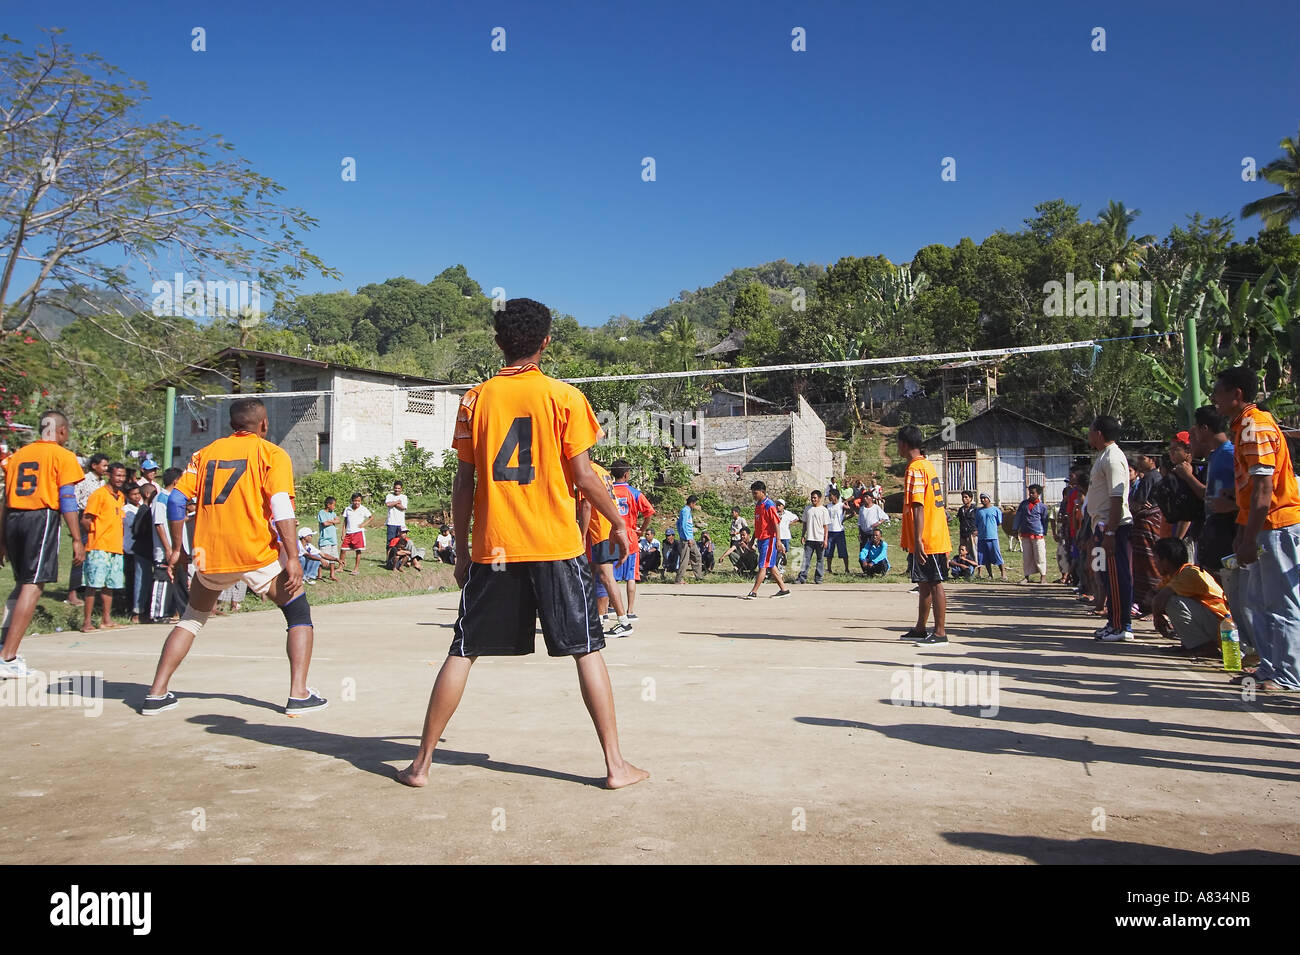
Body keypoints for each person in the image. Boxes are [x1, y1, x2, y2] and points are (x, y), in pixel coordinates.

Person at [397, 297, 647, 790]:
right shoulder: (565, 397)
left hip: (496, 548)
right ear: (546, 342)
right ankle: (616, 767)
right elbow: (583, 476)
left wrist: (465, 549)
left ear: (499, 341)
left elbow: (463, 482)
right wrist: (616, 520)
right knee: (587, 649)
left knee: (463, 648)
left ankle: (421, 765)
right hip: (555, 545)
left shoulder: (475, 399)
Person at [141, 397, 328, 716]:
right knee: (298, 613)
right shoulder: (271, 453)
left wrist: (178, 549)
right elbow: (282, 506)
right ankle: (298, 693)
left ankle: (156, 694)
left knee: (191, 619)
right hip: (256, 552)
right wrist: (294, 557)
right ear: (264, 424)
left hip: (210, 552)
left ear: (231, 425)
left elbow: (174, 502)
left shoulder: (204, 454)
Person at [1211, 366, 1300, 691]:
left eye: (1218, 391)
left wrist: (1250, 537)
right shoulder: (1245, 427)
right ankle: (1269, 668)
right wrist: (1242, 529)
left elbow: (1264, 490)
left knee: (1282, 603)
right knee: (1259, 602)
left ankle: (1288, 675)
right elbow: (1251, 492)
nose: (1214, 399)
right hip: (1261, 527)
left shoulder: (1255, 427)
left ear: (1236, 394)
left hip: (1276, 526)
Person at [0, 411, 86, 678]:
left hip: (14, 516)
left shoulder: (17, 456)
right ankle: (7, 657)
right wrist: (77, 538)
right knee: (33, 585)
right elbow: (68, 499)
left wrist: (1, 538)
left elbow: (4, 498)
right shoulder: (63, 456)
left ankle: (5, 647)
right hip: (41, 515)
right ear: (60, 431)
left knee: (22, 582)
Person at [897, 425, 950, 645]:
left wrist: (918, 540)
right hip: (930, 534)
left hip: (929, 537)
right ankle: (921, 628)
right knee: (924, 583)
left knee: (935, 582)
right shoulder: (926, 465)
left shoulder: (915, 469)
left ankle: (940, 632)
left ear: (904, 444)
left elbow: (918, 506)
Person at [1088, 415, 1135, 642]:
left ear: (1099, 433)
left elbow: (1116, 498)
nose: (1088, 435)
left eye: (1090, 430)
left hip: (1113, 528)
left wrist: (1110, 532)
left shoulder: (1114, 458)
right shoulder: (1103, 456)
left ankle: (1122, 626)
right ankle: (1113, 621)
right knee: (1106, 577)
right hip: (1101, 526)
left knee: (1117, 578)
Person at [577, 460, 632, 635]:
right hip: (607, 528)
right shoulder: (602, 471)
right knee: (595, 574)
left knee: (607, 578)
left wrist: (582, 534)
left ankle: (623, 621)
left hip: (601, 530)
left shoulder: (587, 470)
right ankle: (598, 620)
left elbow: (586, 505)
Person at [1150, 537, 1227, 657]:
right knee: (1167, 600)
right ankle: (1191, 643)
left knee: (1172, 602)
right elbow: (1152, 596)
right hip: (1214, 623)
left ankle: (1204, 646)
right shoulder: (1173, 575)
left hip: (1223, 625)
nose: (1154, 562)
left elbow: (1160, 599)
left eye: (1155, 558)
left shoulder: (1189, 572)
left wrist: (1157, 617)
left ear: (1165, 561)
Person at [1188, 407, 1236, 577]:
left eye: (1196, 428)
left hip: (1231, 533)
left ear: (1205, 429)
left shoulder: (1231, 454)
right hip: (1215, 532)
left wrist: (1233, 505)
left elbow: (1250, 490)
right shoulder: (1215, 456)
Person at [81, 462, 128, 632]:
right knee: (93, 584)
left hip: (115, 546)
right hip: (98, 546)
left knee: (111, 585)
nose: (120, 479)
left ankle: (106, 619)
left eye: (123, 476)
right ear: (109, 475)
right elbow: (86, 519)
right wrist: (95, 534)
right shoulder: (99, 495)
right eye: (117, 475)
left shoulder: (121, 496)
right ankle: (86, 621)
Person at [609, 459, 655, 617]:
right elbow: (649, 512)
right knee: (631, 577)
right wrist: (641, 529)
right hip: (630, 537)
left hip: (612, 537)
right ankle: (630, 611)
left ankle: (610, 607)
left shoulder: (608, 492)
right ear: (627, 474)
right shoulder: (635, 493)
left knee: (611, 576)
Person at [1128, 451, 1168, 618]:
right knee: (1144, 566)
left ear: (1152, 460)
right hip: (1144, 526)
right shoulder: (1149, 477)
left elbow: (1139, 503)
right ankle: (1146, 605)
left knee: (1151, 566)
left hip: (1148, 525)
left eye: (1143, 458)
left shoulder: (1151, 477)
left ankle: (1153, 607)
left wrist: (1137, 506)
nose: (1140, 461)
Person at [67, 452, 109, 607]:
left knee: (94, 555)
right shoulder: (84, 480)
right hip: (84, 516)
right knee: (80, 554)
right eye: (104, 465)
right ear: (94, 465)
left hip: (99, 520)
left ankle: (88, 590)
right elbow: (74, 499)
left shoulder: (103, 483)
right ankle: (72, 592)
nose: (106, 468)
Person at [149, 467, 188, 624]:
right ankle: (157, 613)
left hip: (176, 549)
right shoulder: (161, 499)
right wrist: (168, 548)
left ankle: (179, 611)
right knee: (162, 578)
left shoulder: (173, 498)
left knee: (179, 581)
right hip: (166, 549)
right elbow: (159, 524)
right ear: (175, 481)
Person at [743, 481, 790, 599]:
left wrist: (778, 541)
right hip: (761, 540)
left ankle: (754, 591)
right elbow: (758, 525)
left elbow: (776, 524)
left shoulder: (769, 505)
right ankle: (784, 590)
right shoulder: (758, 505)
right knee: (771, 565)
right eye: (753, 493)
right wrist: (752, 539)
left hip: (769, 540)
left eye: (755, 493)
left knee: (763, 565)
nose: (753, 495)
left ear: (762, 492)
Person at [129, 482, 156, 622]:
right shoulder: (144, 510)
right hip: (142, 550)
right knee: (141, 580)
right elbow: (137, 529)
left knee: (146, 580)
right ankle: (137, 612)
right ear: (147, 494)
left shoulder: (148, 509)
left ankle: (144, 610)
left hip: (147, 550)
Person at [1012, 484, 1048, 584]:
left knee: (1040, 555)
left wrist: (1044, 531)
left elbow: (1045, 520)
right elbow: (1018, 517)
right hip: (1025, 533)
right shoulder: (1024, 504)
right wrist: (1015, 528)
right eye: (1030, 492)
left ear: (1038, 494)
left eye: (1033, 493)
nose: (1031, 494)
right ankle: (1026, 576)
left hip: (1037, 533)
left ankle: (1043, 576)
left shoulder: (1042, 507)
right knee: (1027, 556)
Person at [795, 489, 829, 584]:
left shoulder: (824, 510)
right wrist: (803, 535)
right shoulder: (807, 509)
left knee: (820, 560)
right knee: (806, 559)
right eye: (812, 498)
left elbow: (826, 527)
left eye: (815, 498)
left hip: (820, 539)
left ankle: (818, 578)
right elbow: (804, 524)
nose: (813, 499)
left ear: (819, 498)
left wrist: (825, 540)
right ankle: (802, 577)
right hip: (809, 538)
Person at [120, 483, 143, 620]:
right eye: (134, 494)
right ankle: (129, 608)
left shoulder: (140, 507)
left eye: (138, 493)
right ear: (127, 496)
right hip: (129, 548)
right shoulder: (126, 510)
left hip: (139, 549)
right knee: (131, 580)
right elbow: (135, 526)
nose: (137, 496)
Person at [974, 493, 1006, 580]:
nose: (983, 500)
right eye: (981, 498)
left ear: (989, 499)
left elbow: (999, 522)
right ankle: (990, 574)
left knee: (997, 555)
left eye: (985, 498)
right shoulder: (979, 511)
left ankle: (1003, 574)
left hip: (992, 536)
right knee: (985, 557)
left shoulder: (995, 510)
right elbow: (976, 523)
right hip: (982, 537)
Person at [674, 494, 704, 583]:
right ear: (692, 503)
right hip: (687, 539)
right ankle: (679, 579)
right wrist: (687, 538)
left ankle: (699, 576)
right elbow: (683, 525)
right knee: (685, 559)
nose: (695, 506)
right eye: (695, 504)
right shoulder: (685, 511)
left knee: (697, 556)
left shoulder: (687, 511)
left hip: (690, 537)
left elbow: (678, 524)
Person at [341, 492, 372, 574]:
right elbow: (345, 522)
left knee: (358, 550)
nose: (357, 502)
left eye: (359, 501)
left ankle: (356, 568)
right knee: (343, 549)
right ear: (352, 501)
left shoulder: (363, 509)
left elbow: (371, 517)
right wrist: (343, 532)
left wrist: (363, 524)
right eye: (355, 501)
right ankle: (341, 567)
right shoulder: (347, 509)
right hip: (349, 532)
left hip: (358, 533)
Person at [856, 491, 890, 560]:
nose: (864, 499)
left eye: (866, 497)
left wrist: (878, 523)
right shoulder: (862, 509)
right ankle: (865, 566)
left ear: (871, 498)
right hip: (863, 533)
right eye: (864, 497)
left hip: (872, 533)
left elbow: (885, 517)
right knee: (863, 550)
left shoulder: (876, 508)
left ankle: (873, 565)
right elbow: (859, 522)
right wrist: (859, 533)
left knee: (871, 550)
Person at [823, 489, 850, 574]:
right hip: (830, 531)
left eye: (831, 495)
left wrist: (844, 519)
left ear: (835, 496)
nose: (829, 497)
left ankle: (846, 568)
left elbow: (852, 512)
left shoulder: (841, 505)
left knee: (843, 551)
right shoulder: (828, 506)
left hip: (839, 531)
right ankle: (829, 568)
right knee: (829, 551)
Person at [317, 496, 341, 581]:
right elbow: (324, 523)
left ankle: (332, 574)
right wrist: (333, 521)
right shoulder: (321, 513)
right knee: (323, 558)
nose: (334, 507)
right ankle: (319, 575)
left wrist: (330, 521)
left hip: (333, 539)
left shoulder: (332, 513)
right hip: (325, 539)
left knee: (333, 557)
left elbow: (338, 521)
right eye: (333, 505)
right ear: (328, 505)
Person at [384, 481, 408, 551]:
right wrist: (397, 502)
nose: (397, 490)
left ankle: (398, 559)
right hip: (391, 522)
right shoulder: (389, 496)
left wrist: (393, 503)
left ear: (401, 489)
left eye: (399, 488)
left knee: (400, 542)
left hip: (400, 523)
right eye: (395, 488)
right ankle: (388, 559)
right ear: (393, 488)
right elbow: (388, 504)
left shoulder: (404, 497)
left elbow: (403, 508)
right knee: (390, 542)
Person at [776, 499, 798, 570]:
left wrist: (790, 523)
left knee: (784, 550)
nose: (778, 507)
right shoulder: (774, 513)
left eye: (780, 505)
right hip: (777, 536)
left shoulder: (788, 513)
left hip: (785, 535)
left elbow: (796, 518)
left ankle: (783, 559)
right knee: (777, 551)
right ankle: (778, 563)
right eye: (777, 505)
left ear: (783, 506)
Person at [956, 490, 978, 560]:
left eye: (966, 497)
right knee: (963, 550)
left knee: (974, 551)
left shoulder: (975, 509)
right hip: (963, 534)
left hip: (972, 533)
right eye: (963, 497)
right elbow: (960, 521)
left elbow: (979, 521)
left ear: (971, 498)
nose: (964, 499)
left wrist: (977, 530)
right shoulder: (961, 509)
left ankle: (978, 566)